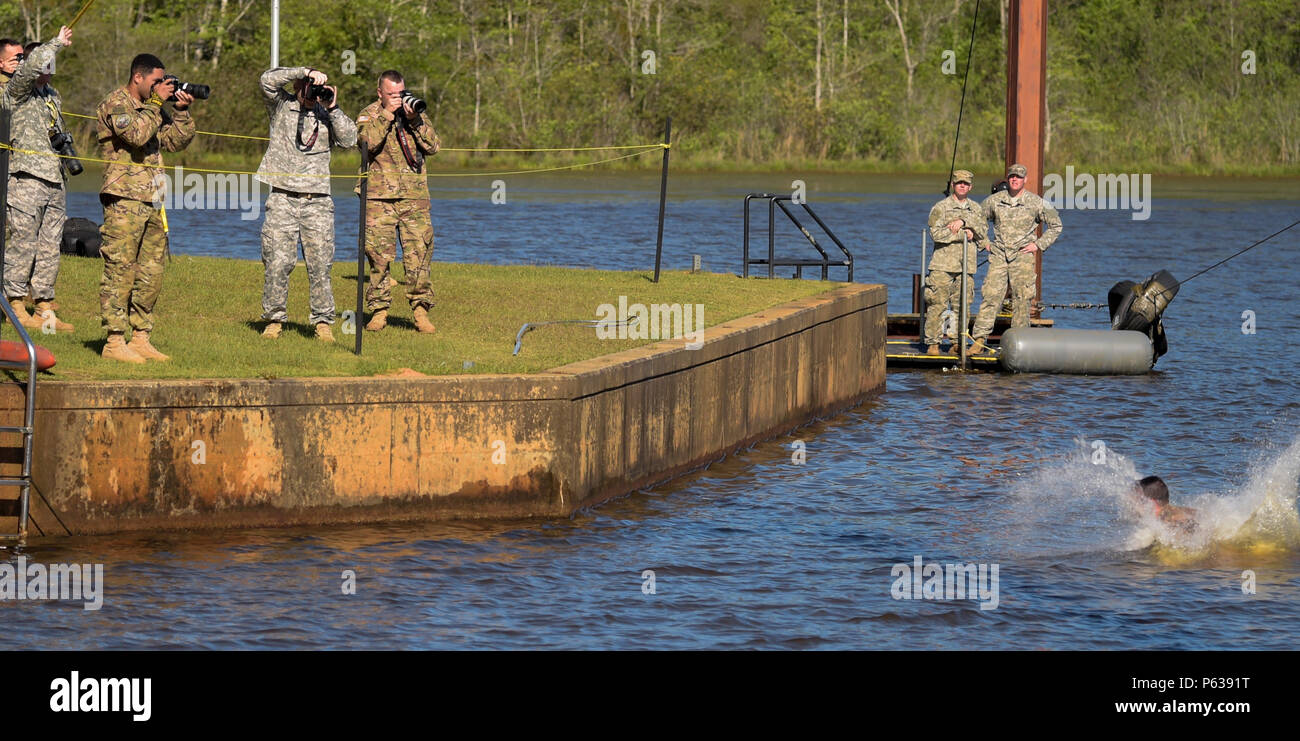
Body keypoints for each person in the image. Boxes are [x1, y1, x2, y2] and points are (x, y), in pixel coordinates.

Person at [95, 53, 197, 362]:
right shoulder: (115, 103)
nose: (161, 88)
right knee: (121, 268)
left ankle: (140, 336)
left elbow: (175, 142)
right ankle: (114, 342)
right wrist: (155, 104)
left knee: (151, 272)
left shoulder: (154, 109)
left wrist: (180, 111)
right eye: (156, 82)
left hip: (153, 198)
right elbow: (136, 136)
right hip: (124, 198)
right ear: (137, 77)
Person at [255, 66, 358, 343]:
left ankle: (323, 322)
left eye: (316, 88)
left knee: (320, 264)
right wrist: (304, 71)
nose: (312, 93)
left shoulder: (326, 115)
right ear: (298, 86)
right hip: (282, 197)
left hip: (318, 201)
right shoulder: (281, 105)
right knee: (277, 261)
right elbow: (266, 80)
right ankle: (274, 320)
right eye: (308, 87)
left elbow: (350, 139)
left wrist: (333, 107)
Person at [2, 28, 75, 333]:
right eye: (17, 58)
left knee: (49, 245)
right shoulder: (15, 90)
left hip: (54, 176)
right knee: (23, 242)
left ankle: (44, 305)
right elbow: (29, 68)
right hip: (26, 177)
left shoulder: (51, 94)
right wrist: (56, 43)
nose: (47, 69)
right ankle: (14, 303)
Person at [355, 69, 439, 334]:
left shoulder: (414, 112)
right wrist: (388, 114)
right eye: (391, 94)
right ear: (379, 93)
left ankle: (420, 311)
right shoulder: (369, 114)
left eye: (400, 93)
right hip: (379, 199)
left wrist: (414, 120)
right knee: (378, 257)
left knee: (419, 256)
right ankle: (379, 311)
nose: (397, 98)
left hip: (414, 198)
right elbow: (366, 144)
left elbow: (434, 147)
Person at [966, 163, 1063, 356]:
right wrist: (984, 241)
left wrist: (1038, 245)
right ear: (1008, 179)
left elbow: (1056, 226)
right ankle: (978, 341)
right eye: (1012, 177)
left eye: (1018, 177)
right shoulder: (994, 201)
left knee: (1022, 299)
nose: (1014, 180)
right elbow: (976, 218)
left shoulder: (1036, 202)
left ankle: (1019, 343)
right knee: (991, 296)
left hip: (1022, 256)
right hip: (999, 255)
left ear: (1025, 180)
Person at [923, 169, 986, 355]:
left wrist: (964, 222)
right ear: (952, 185)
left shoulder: (976, 209)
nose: (962, 186)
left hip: (966, 266)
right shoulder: (940, 207)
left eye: (965, 183)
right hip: (942, 265)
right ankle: (933, 343)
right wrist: (962, 233)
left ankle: (957, 342)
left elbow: (982, 233)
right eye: (959, 183)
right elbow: (936, 234)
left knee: (962, 307)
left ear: (971, 187)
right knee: (937, 305)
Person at [1133, 475, 1199, 531]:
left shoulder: (1164, 519)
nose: (1137, 502)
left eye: (1140, 499)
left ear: (1151, 501)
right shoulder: (1174, 509)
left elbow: (1191, 526)